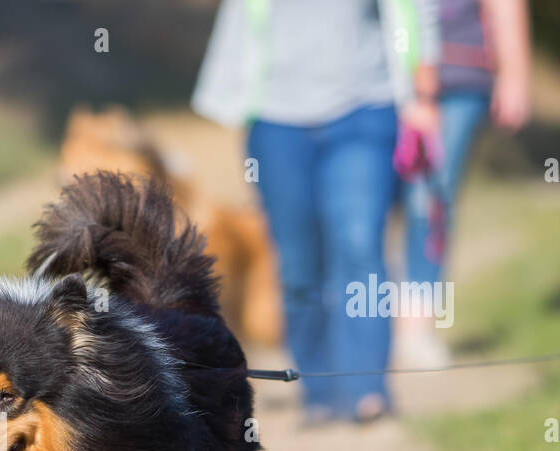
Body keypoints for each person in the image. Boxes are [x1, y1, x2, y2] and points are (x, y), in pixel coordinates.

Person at [193, 0, 440, 424]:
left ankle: (365, 385)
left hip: (366, 106)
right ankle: (319, 387)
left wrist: (425, 89)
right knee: (298, 259)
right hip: (276, 119)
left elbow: (416, 8)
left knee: (360, 241)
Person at [394, 0, 531, 368]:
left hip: (458, 72)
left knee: (430, 196)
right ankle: (362, 323)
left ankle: (415, 326)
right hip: (381, 74)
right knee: (369, 202)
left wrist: (515, 72)